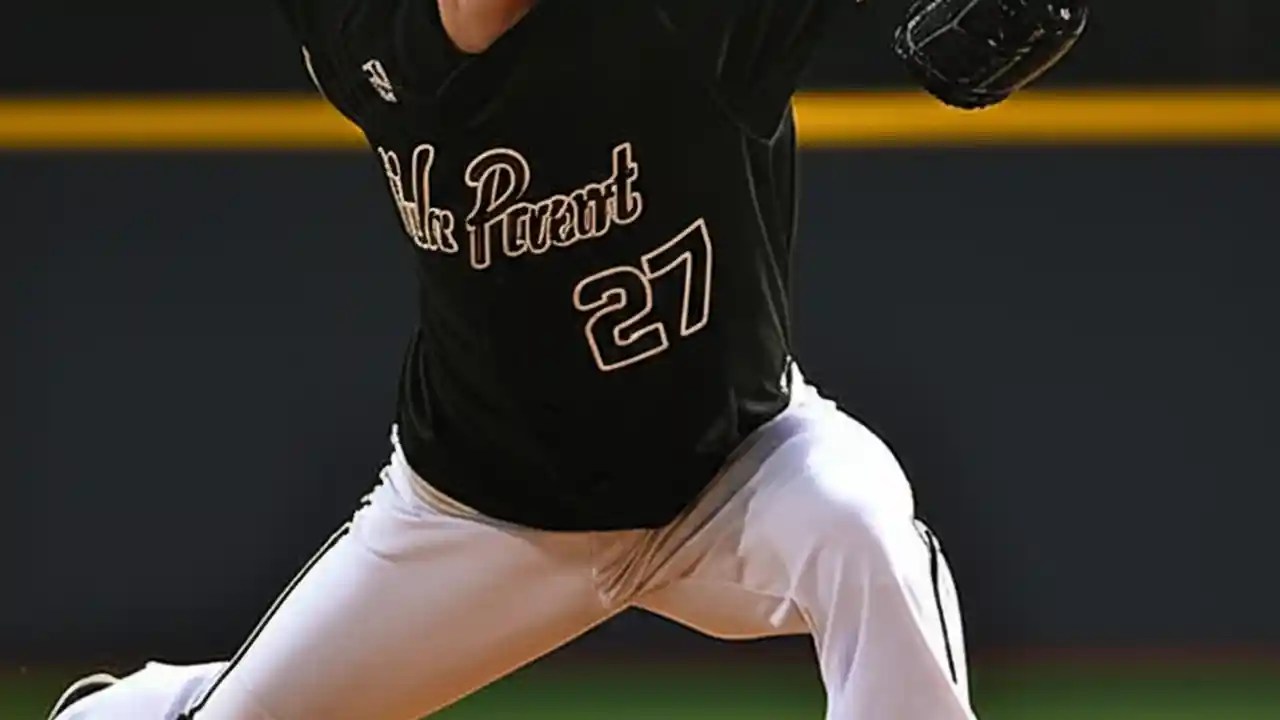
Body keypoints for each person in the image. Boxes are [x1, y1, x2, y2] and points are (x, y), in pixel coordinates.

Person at [50, 1, 987, 718]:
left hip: (732, 476)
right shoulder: (365, 28)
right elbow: (459, 23)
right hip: (478, 517)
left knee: (860, 526)